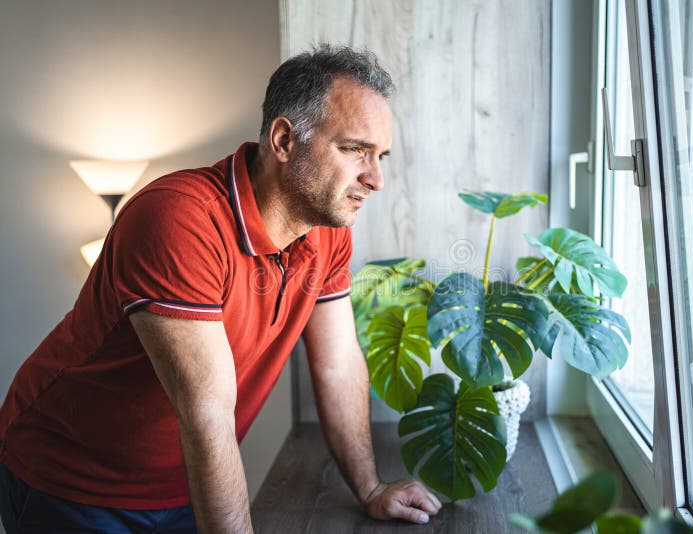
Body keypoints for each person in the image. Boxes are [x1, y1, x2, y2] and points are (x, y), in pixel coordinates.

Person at [0, 44, 441, 532]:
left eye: (380, 156)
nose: (375, 178)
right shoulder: (179, 220)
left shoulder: (328, 229)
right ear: (283, 140)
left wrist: (372, 489)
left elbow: (338, 362)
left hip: (180, 482)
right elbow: (207, 417)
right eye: (355, 150)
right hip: (69, 482)